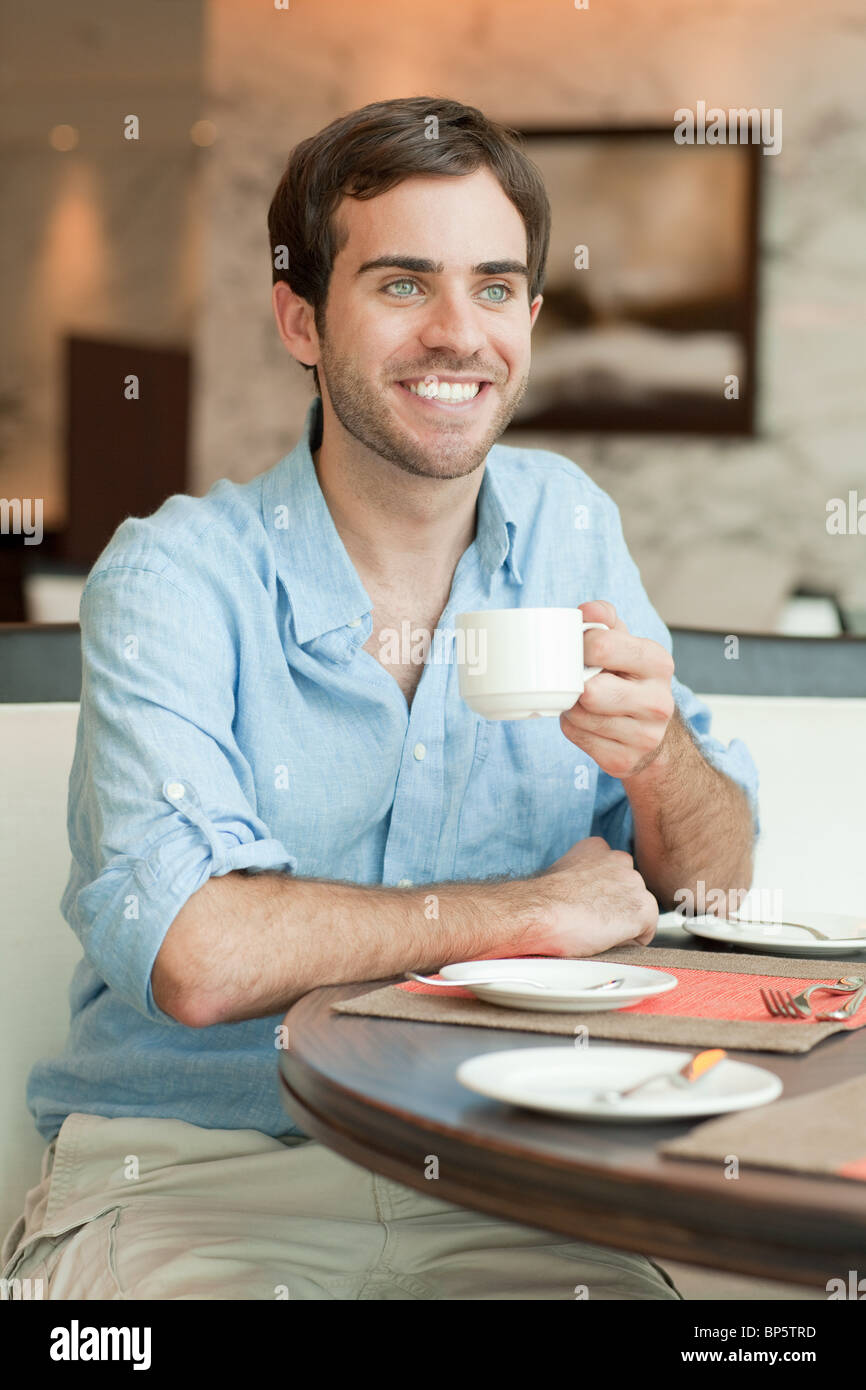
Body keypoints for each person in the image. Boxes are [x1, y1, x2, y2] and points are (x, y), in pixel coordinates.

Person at [2, 96, 758, 1301]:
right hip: (203, 1170)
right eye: (403, 285)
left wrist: (660, 756)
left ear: (530, 317)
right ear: (300, 318)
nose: (459, 333)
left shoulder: (571, 526)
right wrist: (527, 909)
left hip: (513, 1174)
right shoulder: (176, 574)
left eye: (495, 287)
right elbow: (199, 954)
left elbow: (709, 883)